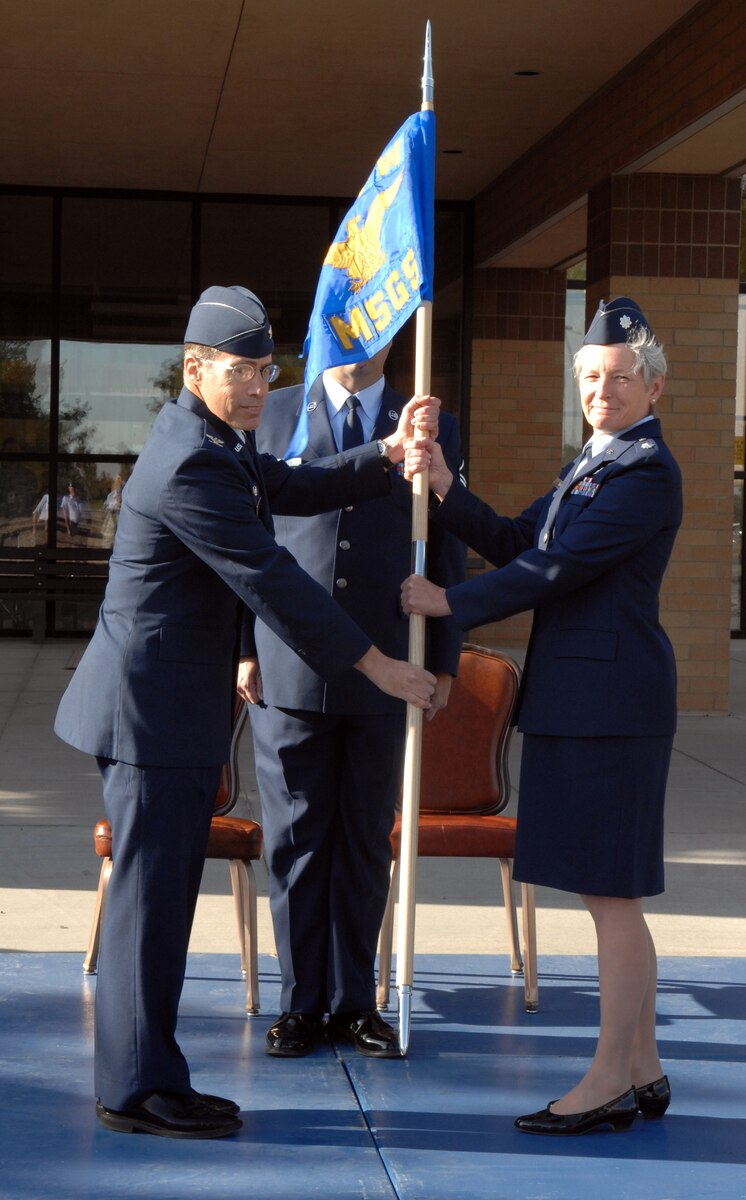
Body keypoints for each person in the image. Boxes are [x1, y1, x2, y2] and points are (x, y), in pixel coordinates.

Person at [54, 285, 439, 1140]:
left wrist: (384, 454)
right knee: (149, 910)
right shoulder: (193, 461)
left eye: (268, 369)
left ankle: (151, 1076)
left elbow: (290, 483)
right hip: (150, 720)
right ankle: (135, 1090)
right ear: (195, 368)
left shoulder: (212, 440)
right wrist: (377, 663)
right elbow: (274, 581)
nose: (262, 385)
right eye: (243, 371)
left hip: (167, 715)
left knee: (160, 907)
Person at [401, 297, 682, 1137]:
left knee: (612, 896)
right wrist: (446, 488)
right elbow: (522, 539)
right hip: (583, 702)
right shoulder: (592, 463)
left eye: (619, 378)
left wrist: (449, 601)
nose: (602, 391)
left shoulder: (644, 473)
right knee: (611, 896)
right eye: (590, 377)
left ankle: (606, 1080)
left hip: (612, 708)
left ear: (654, 387)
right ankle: (642, 1064)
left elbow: (557, 569)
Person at [242, 343, 465, 1059]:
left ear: (394, 336)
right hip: (288, 663)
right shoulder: (271, 413)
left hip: (386, 665)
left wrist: (443, 658)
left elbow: (448, 542)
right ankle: (301, 1005)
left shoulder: (425, 422)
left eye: (374, 328)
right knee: (296, 842)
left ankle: (354, 1003)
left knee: (366, 841)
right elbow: (239, 541)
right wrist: (242, 647)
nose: (359, 341)